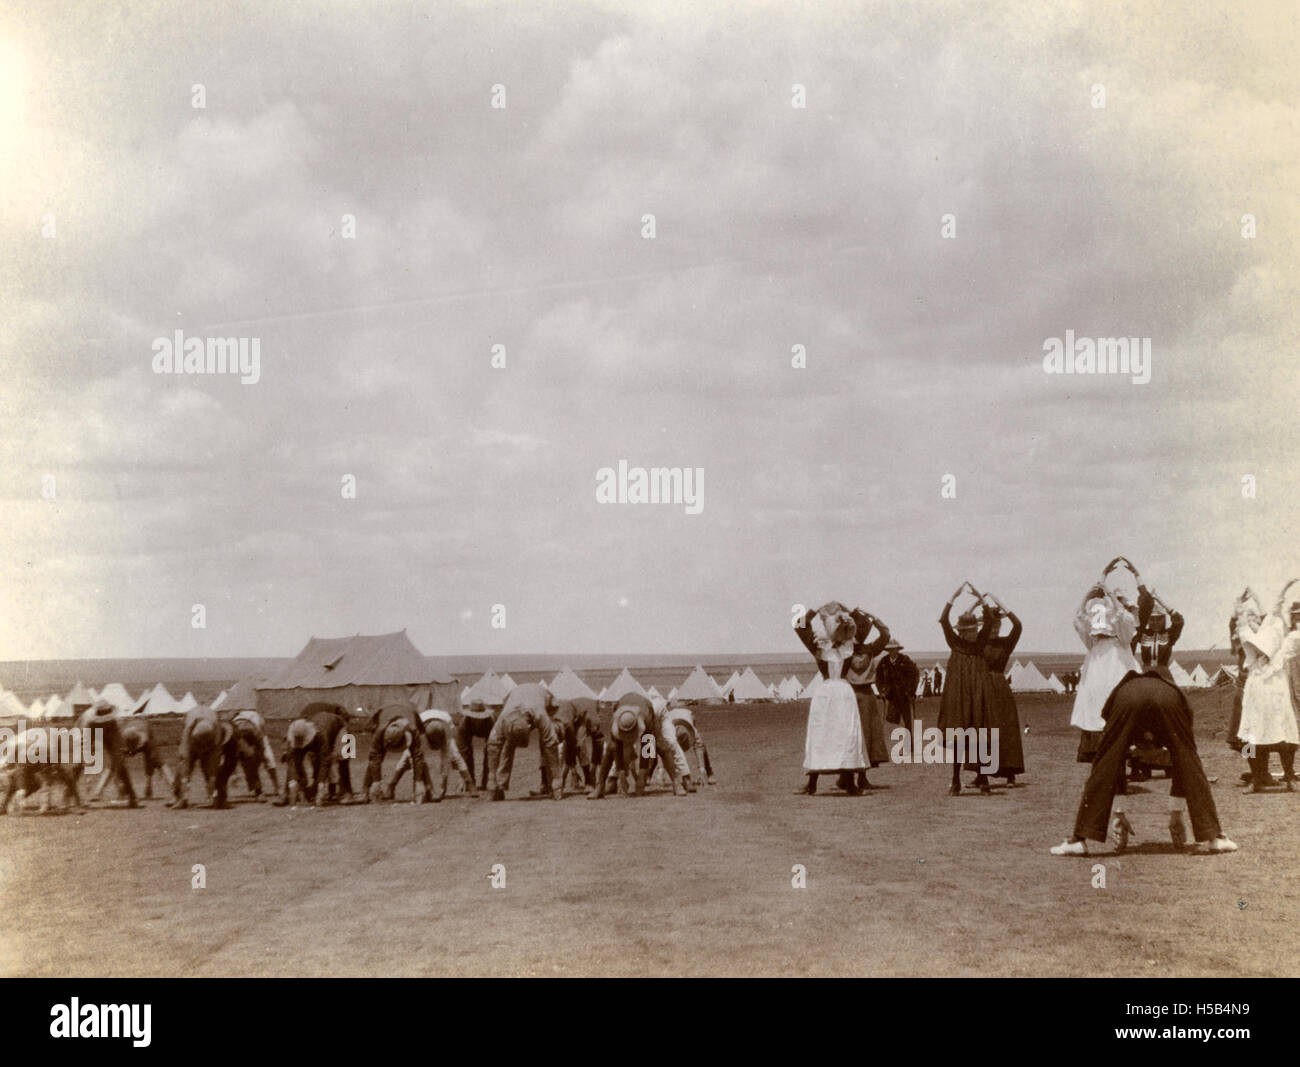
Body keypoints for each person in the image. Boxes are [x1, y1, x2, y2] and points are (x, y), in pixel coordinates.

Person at [1051, 670, 1237, 855]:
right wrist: (1176, 813)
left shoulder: (1122, 698)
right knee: (1188, 760)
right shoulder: (1174, 700)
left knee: (1105, 761)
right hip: (1169, 698)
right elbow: (1184, 767)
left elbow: (1114, 766)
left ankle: (1078, 840)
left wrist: (1119, 812)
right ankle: (1215, 838)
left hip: (1127, 697)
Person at [793, 601, 871, 795]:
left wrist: (847, 608)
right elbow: (798, 625)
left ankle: (849, 782)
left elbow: (866, 625)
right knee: (821, 734)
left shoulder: (849, 644)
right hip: (829, 693)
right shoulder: (819, 644)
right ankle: (812, 783)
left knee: (846, 734)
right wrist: (816, 609)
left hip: (840, 693)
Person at [1070, 563, 1139, 764]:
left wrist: (1109, 591)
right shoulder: (1095, 636)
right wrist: (1087, 598)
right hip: (1097, 662)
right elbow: (1080, 620)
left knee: (1118, 698)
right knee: (1096, 701)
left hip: (1116, 660)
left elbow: (1122, 622)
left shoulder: (1123, 623)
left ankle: (1126, 755)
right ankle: (1100, 754)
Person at [938, 582, 996, 795]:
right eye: (967, 630)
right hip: (959, 695)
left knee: (981, 732)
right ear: (961, 632)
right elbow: (943, 620)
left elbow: (989, 618)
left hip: (978, 692)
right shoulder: (954, 642)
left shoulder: (980, 642)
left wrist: (981, 598)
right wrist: (952, 598)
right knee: (958, 735)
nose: (971, 633)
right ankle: (955, 779)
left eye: (973, 629)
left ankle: (984, 778)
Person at [1236, 606, 1299, 792]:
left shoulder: (1281, 651)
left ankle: (1289, 776)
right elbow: (1244, 630)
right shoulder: (1252, 660)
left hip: (1276, 699)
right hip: (1255, 700)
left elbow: (1291, 635)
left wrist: (1279, 610)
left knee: (1285, 738)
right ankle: (1255, 778)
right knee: (1248, 739)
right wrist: (1244, 613)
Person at [485, 683, 561, 801]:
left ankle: (551, 784)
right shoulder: (504, 717)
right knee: (508, 746)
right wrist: (491, 779)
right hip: (513, 701)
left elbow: (551, 742)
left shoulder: (540, 713)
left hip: (545, 701)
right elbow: (493, 745)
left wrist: (557, 781)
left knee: (547, 743)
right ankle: (499, 785)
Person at [980, 593, 1025, 786]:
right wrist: (980, 604)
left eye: (998, 625)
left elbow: (1018, 625)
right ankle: (980, 774)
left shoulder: (1006, 643)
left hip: (999, 689)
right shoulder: (978, 643)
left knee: (1005, 729)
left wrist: (1001, 605)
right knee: (982, 729)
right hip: (981, 687)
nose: (995, 628)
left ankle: (1010, 774)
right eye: (992, 624)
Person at [842, 614, 892, 790]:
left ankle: (848, 776)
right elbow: (886, 634)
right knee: (866, 736)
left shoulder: (844, 650)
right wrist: (875, 618)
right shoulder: (870, 649)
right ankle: (859, 777)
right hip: (864, 695)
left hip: (849, 694)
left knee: (852, 735)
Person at [389, 708, 478, 801]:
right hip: (423, 724)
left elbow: (446, 760)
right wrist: (425, 784)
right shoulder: (418, 730)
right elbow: (416, 758)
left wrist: (443, 787)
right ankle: (391, 785)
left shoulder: (448, 727)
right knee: (406, 756)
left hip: (443, 725)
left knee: (455, 755)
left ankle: (470, 783)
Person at [277, 705, 354, 806]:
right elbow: (294, 762)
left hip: (341, 727)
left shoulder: (321, 735)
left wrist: (321, 785)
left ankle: (347, 792)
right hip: (322, 726)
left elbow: (325, 761)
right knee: (303, 759)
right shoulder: (297, 734)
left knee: (344, 757)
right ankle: (289, 793)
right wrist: (292, 783)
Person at [169, 705, 239, 809]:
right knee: (183, 768)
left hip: (209, 740)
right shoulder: (188, 732)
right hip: (192, 741)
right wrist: (185, 779)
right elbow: (185, 758)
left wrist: (212, 779)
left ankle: (215, 797)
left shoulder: (216, 732)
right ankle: (180, 798)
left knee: (212, 770)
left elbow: (214, 762)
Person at [362, 703, 434, 803]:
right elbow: (374, 757)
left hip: (408, 711)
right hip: (384, 712)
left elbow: (418, 757)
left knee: (419, 757)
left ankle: (427, 789)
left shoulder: (413, 730)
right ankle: (365, 790)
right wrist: (376, 782)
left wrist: (418, 782)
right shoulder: (379, 732)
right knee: (375, 758)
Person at [875, 640, 919, 749]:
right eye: (890, 649)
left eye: (894, 649)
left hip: (905, 695)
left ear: (897, 650)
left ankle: (909, 745)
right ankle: (891, 744)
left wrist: (911, 691)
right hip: (892, 696)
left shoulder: (905, 660)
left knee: (908, 720)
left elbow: (915, 675)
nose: (892, 651)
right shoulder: (884, 662)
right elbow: (878, 677)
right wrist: (882, 691)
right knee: (892, 720)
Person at [229, 708, 279, 799]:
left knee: (268, 758)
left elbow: (261, 745)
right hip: (241, 736)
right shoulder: (235, 729)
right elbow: (232, 754)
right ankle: (257, 789)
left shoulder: (256, 723)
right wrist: (235, 773)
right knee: (248, 762)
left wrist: (258, 758)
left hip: (258, 736)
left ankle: (276, 787)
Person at [456, 698, 497, 791]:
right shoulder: (464, 723)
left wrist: (491, 777)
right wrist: (465, 778)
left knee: (489, 752)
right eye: (475, 717)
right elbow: (463, 751)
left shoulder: (491, 721)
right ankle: (470, 782)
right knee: (467, 754)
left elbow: (493, 750)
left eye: (480, 717)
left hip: (488, 732)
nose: (477, 719)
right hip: (468, 732)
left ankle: (486, 781)